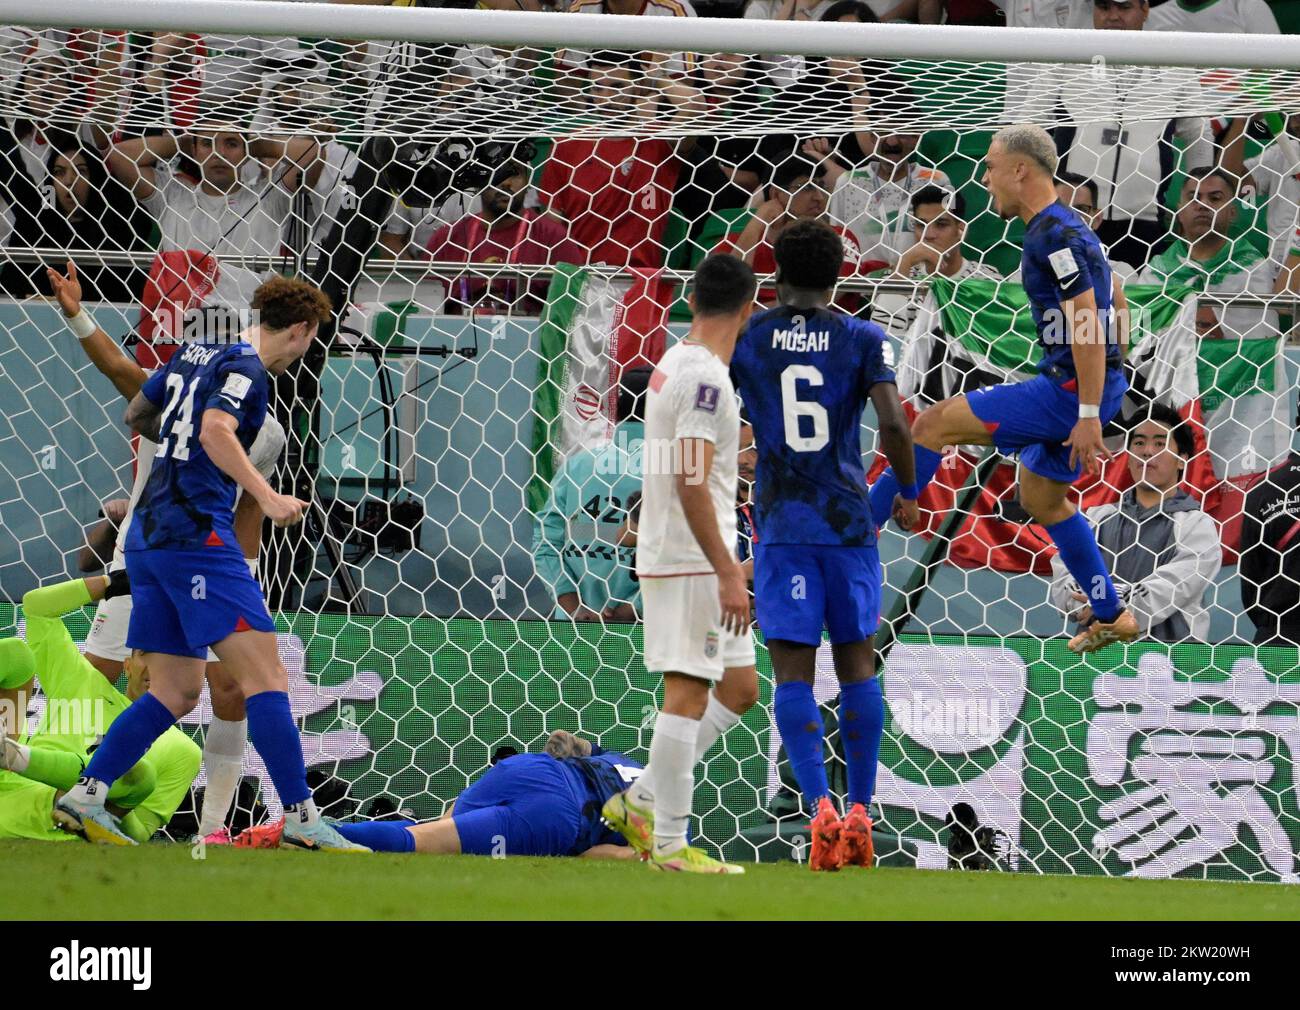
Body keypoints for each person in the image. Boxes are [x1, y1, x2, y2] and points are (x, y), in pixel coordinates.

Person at [51, 276, 364, 852]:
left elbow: (139, 412)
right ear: (300, 330)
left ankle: (87, 793)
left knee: (173, 691)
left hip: (146, 535)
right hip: (197, 539)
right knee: (265, 678)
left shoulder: (198, 352)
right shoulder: (248, 370)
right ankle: (300, 817)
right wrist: (265, 495)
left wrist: (180, 449)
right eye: (308, 343)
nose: (303, 354)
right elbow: (217, 429)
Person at [871, 124, 1140, 654]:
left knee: (930, 424)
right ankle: (1111, 613)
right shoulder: (1068, 228)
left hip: (1067, 393)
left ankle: (850, 538)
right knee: (1044, 501)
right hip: (1084, 386)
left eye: (991, 166)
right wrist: (1111, 376)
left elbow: (1086, 319)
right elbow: (1120, 300)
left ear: (1021, 169)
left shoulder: (1053, 234)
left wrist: (1087, 410)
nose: (985, 176)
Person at [728, 220, 916, 871]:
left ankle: (820, 813)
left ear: (775, 273)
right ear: (842, 275)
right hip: (846, 524)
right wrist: (911, 487)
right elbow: (893, 421)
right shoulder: (864, 336)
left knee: (793, 674)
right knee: (859, 664)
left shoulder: (749, 336)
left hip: (780, 525)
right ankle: (862, 810)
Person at [601, 254, 760, 874]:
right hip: (694, 557)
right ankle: (667, 845)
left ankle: (639, 799)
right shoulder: (703, 380)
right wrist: (726, 570)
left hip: (694, 550)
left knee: (740, 689)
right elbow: (693, 480)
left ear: (691, 301)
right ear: (748, 309)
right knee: (689, 690)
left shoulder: (676, 361)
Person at [0, 574, 200, 843]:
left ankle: (16, 757)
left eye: (169, 657)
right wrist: (117, 581)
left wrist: (113, 793)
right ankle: (9, 755)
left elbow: (140, 833)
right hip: (6, 784)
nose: (157, 666)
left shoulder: (184, 751)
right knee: (15, 654)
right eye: (145, 653)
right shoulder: (83, 682)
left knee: (139, 775)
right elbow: (36, 606)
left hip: (54, 819)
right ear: (127, 666)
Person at [234, 730, 645, 858]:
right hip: (560, 814)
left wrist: (569, 747)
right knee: (427, 841)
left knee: (440, 827)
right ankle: (303, 834)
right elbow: (605, 856)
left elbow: (572, 746)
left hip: (530, 769)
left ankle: (300, 827)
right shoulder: (670, 829)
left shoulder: (630, 762)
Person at [1049, 406, 1221, 643]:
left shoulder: (1197, 525)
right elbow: (1064, 572)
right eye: (1139, 443)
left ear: (1182, 461)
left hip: (1171, 664)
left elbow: (1171, 590)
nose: (1148, 452)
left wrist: (1103, 603)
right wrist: (1083, 603)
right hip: (1097, 658)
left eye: (1160, 444)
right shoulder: (1096, 517)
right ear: (1128, 456)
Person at [538, 49, 699, 270]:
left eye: (617, 88)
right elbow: (551, 226)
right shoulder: (566, 145)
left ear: (638, 87)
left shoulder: (660, 142)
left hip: (638, 280)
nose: (605, 99)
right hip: (577, 278)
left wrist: (657, 79)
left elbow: (695, 106)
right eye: (598, 88)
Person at [533, 368, 649, 621]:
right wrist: (631, 609)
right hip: (645, 631)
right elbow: (683, 556)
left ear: (617, 410)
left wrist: (573, 607)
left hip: (573, 634)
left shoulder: (577, 466)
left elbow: (545, 542)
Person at [106, 128, 322, 260]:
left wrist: (254, 145)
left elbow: (314, 152)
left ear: (247, 152)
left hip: (250, 322)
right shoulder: (172, 197)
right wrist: (183, 143)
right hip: (184, 320)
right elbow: (119, 156)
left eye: (231, 143)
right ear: (194, 151)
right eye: (207, 144)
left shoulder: (267, 198)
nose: (219, 153)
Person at [425, 159, 583, 315]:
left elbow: (572, 313)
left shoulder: (554, 238)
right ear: (478, 182)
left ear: (528, 181)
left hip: (527, 337)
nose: (506, 182)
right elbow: (424, 307)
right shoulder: (447, 238)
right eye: (497, 172)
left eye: (515, 174)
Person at [1137, 168, 1279, 342]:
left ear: (1232, 212)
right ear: (1180, 212)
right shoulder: (1157, 271)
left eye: (1215, 198)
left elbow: (1262, 343)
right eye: (1194, 198)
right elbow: (1140, 342)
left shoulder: (1252, 268)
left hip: (1234, 367)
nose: (1202, 205)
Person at [713, 152, 871, 306]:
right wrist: (757, 222)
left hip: (822, 331)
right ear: (776, 194)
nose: (819, 197)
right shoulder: (735, 242)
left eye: (821, 186)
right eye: (807, 187)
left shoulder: (839, 239)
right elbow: (721, 298)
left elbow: (820, 300)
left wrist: (745, 318)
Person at [1239, 433, 1300, 647]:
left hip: (1278, 637)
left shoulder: (1264, 485)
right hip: (1281, 638)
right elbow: (1250, 581)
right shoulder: (1264, 486)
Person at [1147, 0, 1279, 33]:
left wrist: (1247, 100)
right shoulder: (1151, 18)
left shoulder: (1248, 6)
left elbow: (1275, 67)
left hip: (1247, 100)